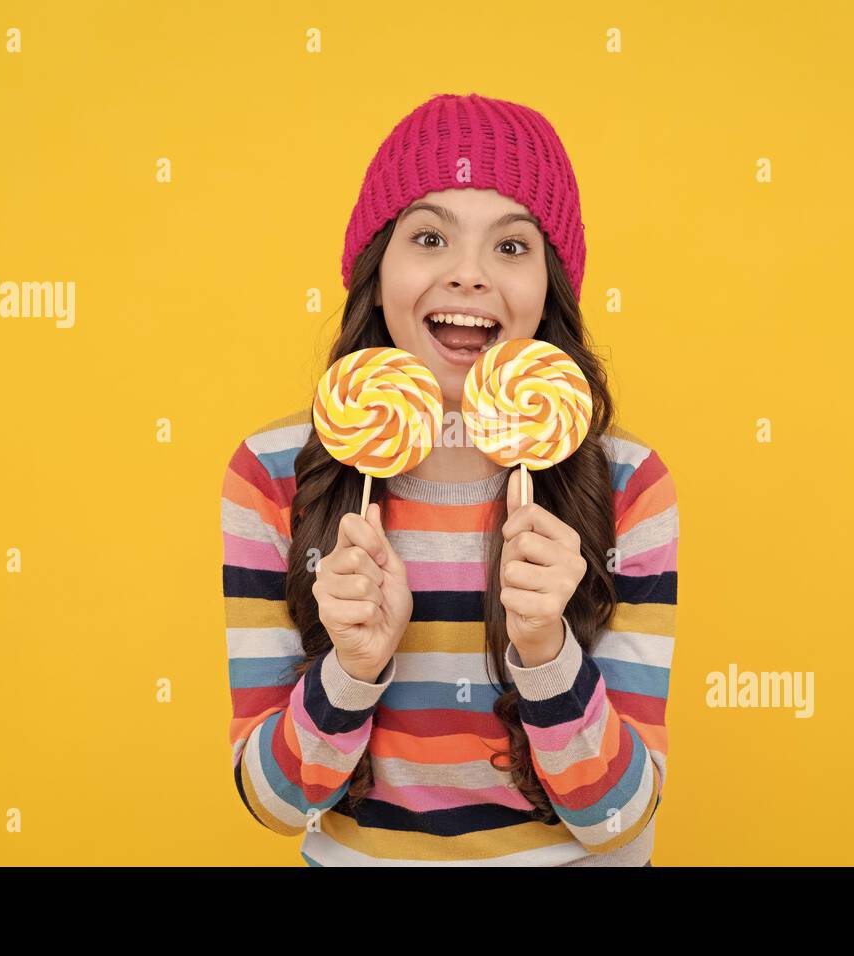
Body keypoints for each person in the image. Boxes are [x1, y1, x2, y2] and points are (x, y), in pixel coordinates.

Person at [222, 92, 678, 865]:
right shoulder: (274, 474)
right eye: (429, 237)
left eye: (510, 247)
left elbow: (623, 817)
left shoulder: (626, 482)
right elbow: (276, 803)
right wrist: (352, 670)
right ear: (373, 271)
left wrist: (546, 653)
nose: (467, 276)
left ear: (549, 287)